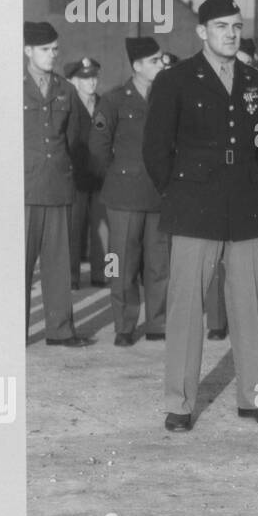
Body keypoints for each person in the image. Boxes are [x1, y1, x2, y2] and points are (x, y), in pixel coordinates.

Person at [143, 0, 258, 431]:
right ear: (202, 32)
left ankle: (255, 397)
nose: (231, 34)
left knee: (249, 305)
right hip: (194, 207)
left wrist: (250, 180)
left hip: (244, 206)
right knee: (186, 309)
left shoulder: (256, 83)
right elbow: (155, 150)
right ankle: (180, 404)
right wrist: (182, 192)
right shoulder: (176, 80)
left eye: (236, 27)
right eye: (222, 27)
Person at [88, 37, 169, 347]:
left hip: (159, 195)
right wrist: (117, 173)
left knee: (159, 264)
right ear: (136, 66)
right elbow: (98, 146)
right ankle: (124, 326)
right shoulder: (113, 100)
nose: (161, 65)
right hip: (124, 195)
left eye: (161, 60)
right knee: (121, 264)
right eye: (154, 61)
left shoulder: (167, 98)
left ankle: (157, 323)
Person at [23, 21, 95, 347]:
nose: (52, 55)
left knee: (58, 264)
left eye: (54, 49)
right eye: (44, 50)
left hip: (58, 187)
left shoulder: (65, 89)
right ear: (28, 51)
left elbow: (76, 137)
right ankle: (14, 331)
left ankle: (60, 330)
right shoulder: (11, 86)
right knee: (19, 266)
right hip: (22, 189)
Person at [65, 57, 109, 289]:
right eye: (85, 78)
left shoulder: (104, 104)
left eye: (94, 77)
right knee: (73, 229)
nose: (91, 82)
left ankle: (105, 274)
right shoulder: (68, 105)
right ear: (73, 81)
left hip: (101, 178)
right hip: (76, 178)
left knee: (104, 231)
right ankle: (71, 278)